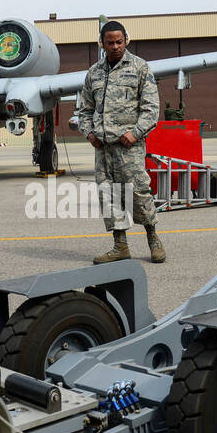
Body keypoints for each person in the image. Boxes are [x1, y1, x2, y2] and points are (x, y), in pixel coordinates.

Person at [75, 20, 164, 264]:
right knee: (110, 195)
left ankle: (153, 239)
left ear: (126, 40)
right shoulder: (93, 73)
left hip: (129, 148)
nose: (115, 46)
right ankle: (120, 245)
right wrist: (89, 133)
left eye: (119, 41)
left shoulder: (140, 68)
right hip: (103, 149)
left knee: (138, 193)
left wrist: (135, 133)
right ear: (101, 44)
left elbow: (151, 108)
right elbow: (84, 109)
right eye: (110, 42)